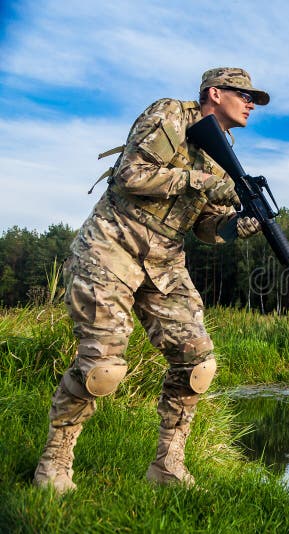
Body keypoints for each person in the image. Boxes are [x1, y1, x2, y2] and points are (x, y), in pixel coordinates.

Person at [33, 67, 269, 493]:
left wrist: (235, 225)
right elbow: (130, 175)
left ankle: (167, 466)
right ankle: (54, 464)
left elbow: (201, 225)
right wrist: (202, 182)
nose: (251, 103)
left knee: (198, 363)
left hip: (164, 262)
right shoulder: (171, 116)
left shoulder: (222, 153)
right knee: (102, 368)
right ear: (214, 93)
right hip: (111, 249)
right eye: (244, 94)